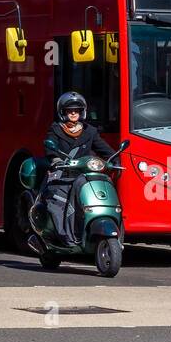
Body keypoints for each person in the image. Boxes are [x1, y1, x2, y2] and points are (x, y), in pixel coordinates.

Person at [36, 91, 116, 245]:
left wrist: (114, 160)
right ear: (63, 112)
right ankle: (65, 233)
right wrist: (56, 159)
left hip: (84, 174)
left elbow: (105, 150)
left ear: (82, 112)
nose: (73, 113)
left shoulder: (90, 131)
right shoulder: (56, 129)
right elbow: (50, 148)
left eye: (77, 110)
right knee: (59, 198)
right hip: (64, 173)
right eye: (69, 110)